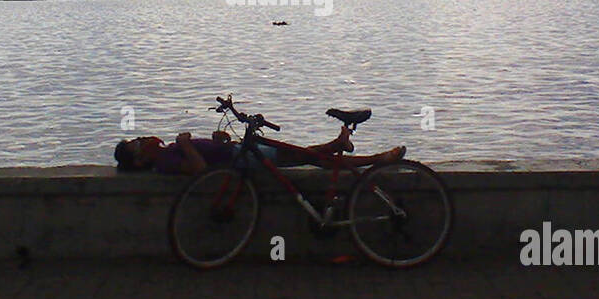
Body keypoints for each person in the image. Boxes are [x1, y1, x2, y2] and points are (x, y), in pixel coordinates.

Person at [113, 124, 402, 175]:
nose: (142, 140)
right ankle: (379, 159)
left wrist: (219, 141)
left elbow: (209, 157)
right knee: (313, 159)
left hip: (240, 153)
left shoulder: (168, 152)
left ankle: (339, 144)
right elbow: (200, 170)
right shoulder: (166, 163)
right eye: (136, 144)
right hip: (245, 162)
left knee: (305, 154)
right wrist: (188, 145)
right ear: (139, 161)